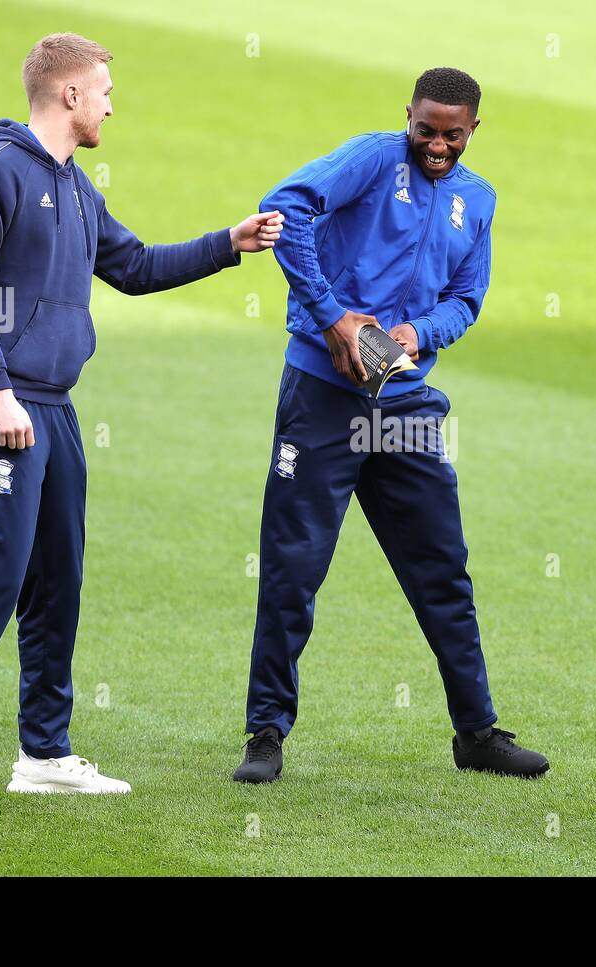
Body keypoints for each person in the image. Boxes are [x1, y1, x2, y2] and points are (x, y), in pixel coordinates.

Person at [0, 33, 283, 807]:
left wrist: (227, 244)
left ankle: (44, 753)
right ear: (68, 96)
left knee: (57, 575)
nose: (109, 105)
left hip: (55, 408)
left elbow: (133, 267)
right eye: (102, 92)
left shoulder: (75, 185)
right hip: (0, 402)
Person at [234, 67, 548, 783]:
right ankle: (265, 733)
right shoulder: (374, 158)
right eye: (426, 129)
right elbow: (285, 207)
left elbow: (467, 300)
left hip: (404, 404)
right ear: (408, 114)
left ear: (475, 127)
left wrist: (412, 333)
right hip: (321, 395)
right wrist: (334, 316)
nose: (437, 145)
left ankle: (476, 732)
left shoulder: (477, 199)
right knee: (292, 566)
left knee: (442, 567)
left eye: (453, 134)